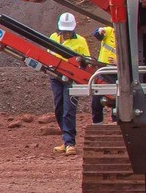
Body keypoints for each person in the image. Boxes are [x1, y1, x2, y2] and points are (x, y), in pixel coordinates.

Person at [49, 12, 91, 154]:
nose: (66, 34)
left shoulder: (81, 41)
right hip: (56, 77)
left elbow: (86, 62)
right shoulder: (53, 38)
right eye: (64, 31)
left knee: (69, 110)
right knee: (59, 108)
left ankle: (69, 143)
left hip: (72, 79)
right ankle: (65, 139)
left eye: (68, 31)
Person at [91, 24, 118, 124]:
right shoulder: (109, 31)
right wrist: (99, 30)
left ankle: (117, 123)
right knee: (97, 100)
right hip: (103, 71)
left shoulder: (128, 38)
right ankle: (97, 124)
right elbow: (98, 34)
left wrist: (119, 62)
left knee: (118, 99)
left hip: (118, 72)